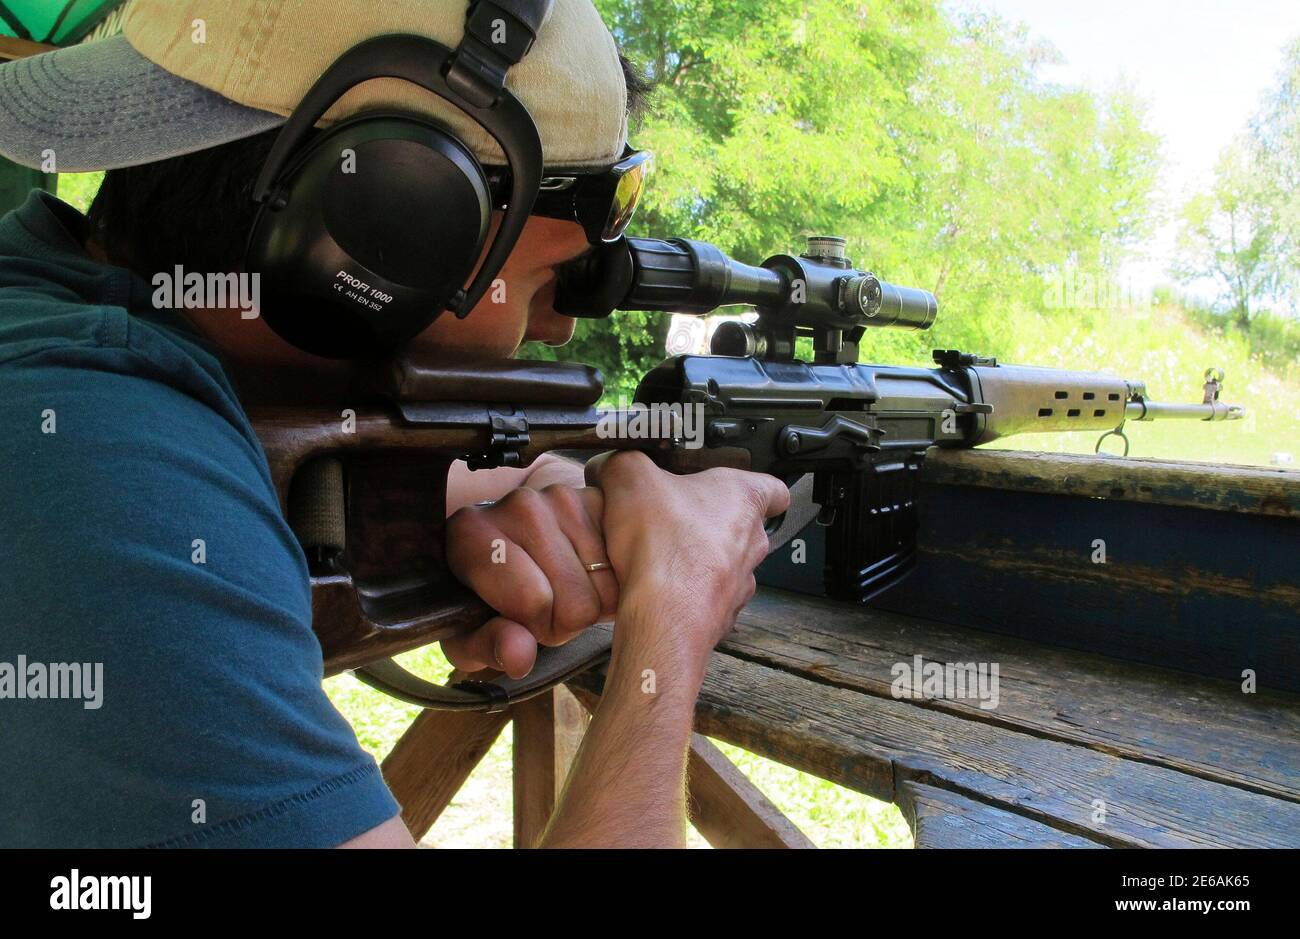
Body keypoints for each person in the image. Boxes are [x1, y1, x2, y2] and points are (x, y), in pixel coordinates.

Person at [0, 0, 788, 848]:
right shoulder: (109, 480)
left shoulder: (55, 324)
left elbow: (353, 452)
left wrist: (540, 474)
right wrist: (673, 606)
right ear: (382, 238)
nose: (556, 329)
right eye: (544, 285)